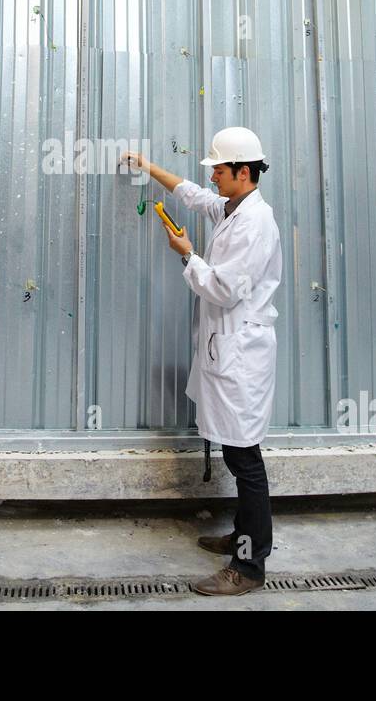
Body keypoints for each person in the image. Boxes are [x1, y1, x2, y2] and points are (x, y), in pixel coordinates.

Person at [125, 127, 282, 596]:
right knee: (236, 452)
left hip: (242, 356)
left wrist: (188, 254)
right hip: (227, 351)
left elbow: (224, 290)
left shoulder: (255, 223)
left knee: (244, 459)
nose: (212, 176)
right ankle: (242, 535)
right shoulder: (233, 207)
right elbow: (193, 195)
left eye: (218, 169)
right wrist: (149, 168)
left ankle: (249, 566)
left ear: (242, 171)